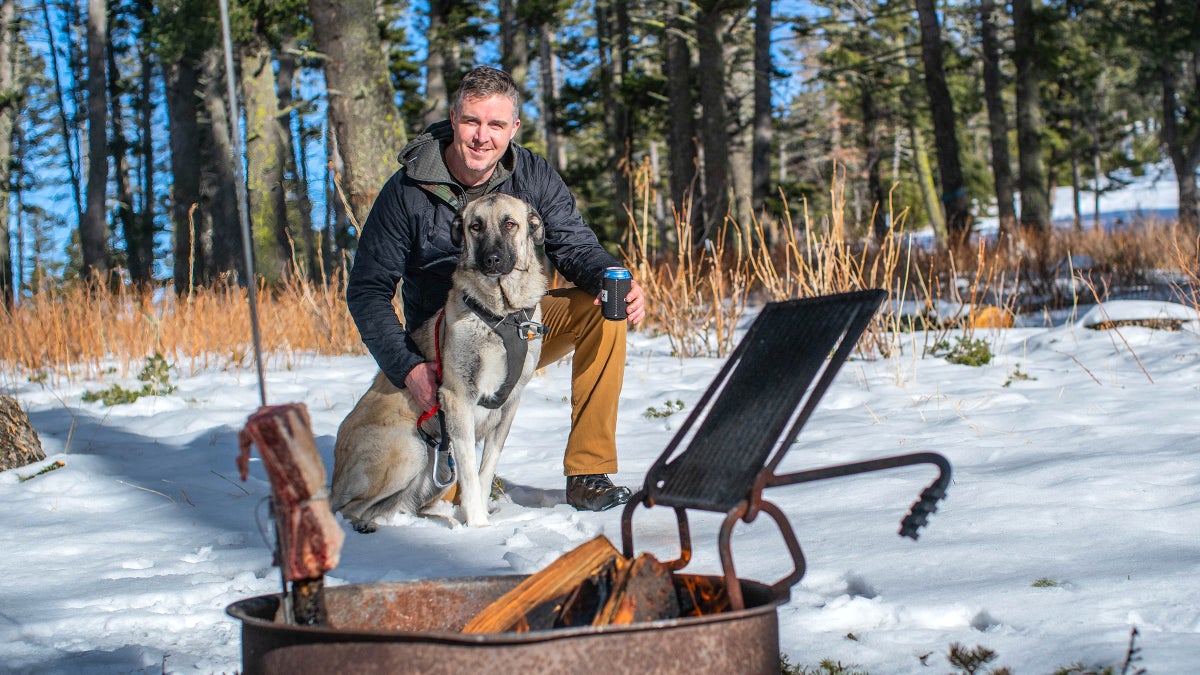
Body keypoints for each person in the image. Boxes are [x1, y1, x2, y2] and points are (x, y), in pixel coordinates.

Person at [346, 66, 645, 512]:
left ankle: (589, 473)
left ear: (514, 128)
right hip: (446, 343)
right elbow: (368, 290)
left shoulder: (532, 174)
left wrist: (611, 279)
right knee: (431, 491)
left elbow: (573, 244)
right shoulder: (407, 191)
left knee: (602, 312)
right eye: (472, 121)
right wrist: (409, 368)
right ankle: (449, 470)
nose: (482, 136)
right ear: (453, 119)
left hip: (518, 325)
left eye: (496, 124)